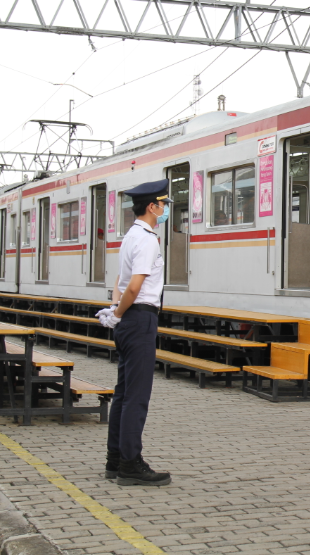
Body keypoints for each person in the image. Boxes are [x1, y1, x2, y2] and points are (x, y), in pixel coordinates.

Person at [96, 179, 173, 487]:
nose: (166, 209)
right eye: (164, 204)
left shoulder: (130, 236)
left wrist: (116, 309)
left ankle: (114, 460)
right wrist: (117, 311)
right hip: (140, 319)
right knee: (136, 397)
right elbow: (135, 284)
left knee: (124, 393)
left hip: (129, 320)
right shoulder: (148, 239)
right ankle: (131, 463)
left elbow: (120, 279)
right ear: (152, 206)